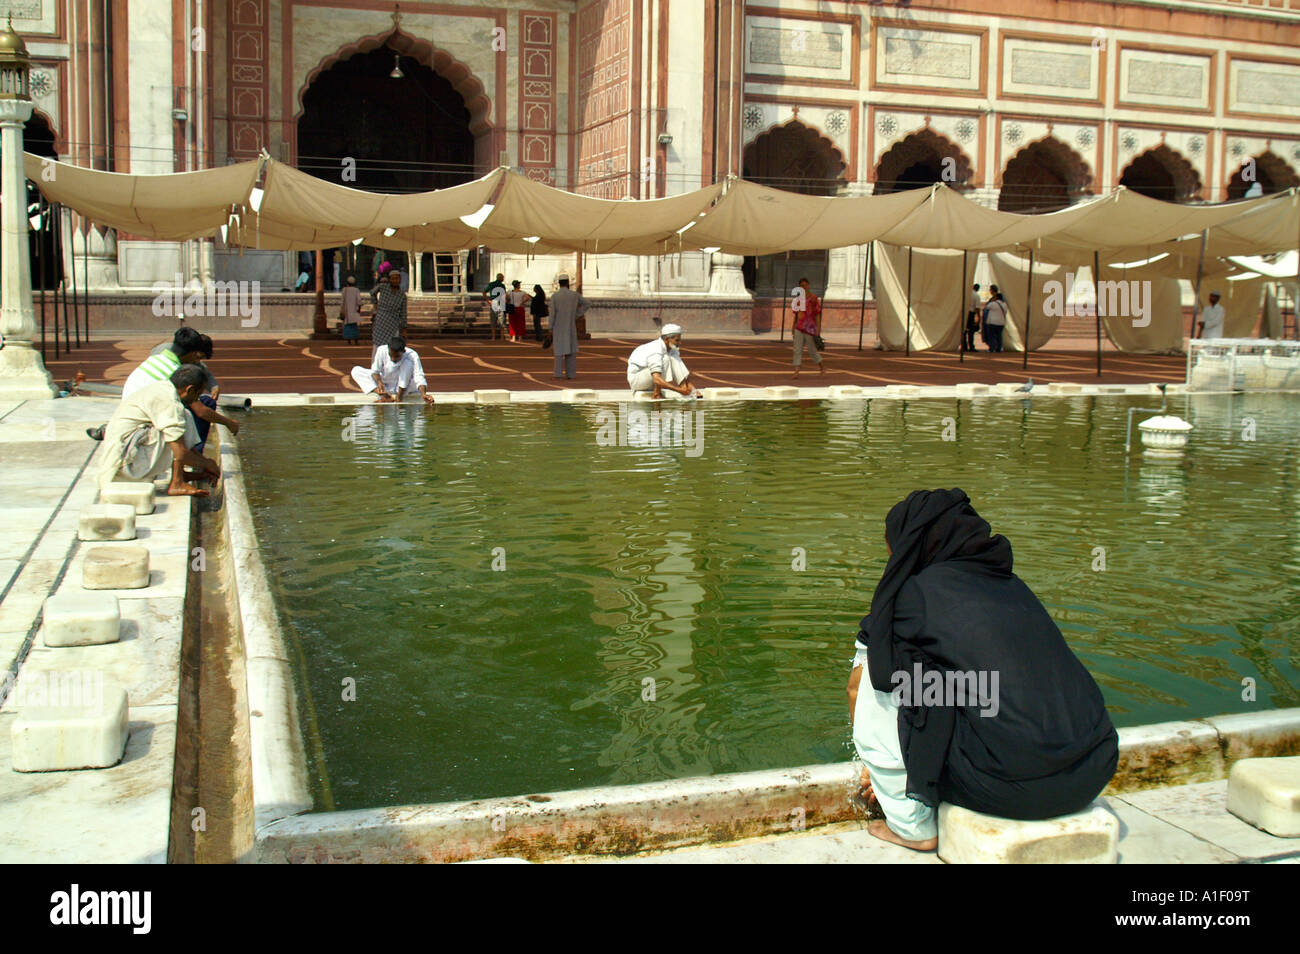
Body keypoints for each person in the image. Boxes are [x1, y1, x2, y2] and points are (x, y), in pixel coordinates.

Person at [846, 489, 1118, 851]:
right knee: (956, 682)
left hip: (1011, 790)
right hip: (1094, 771)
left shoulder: (914, 595)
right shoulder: (1012, 585)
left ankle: (912, 827)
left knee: (876, 679)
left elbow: (859, 686)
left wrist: (876, 770)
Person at [97, 365, 221, 498]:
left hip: (122, 460)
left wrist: (203, 463)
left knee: (183, 417)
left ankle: (180, 475)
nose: (197, 399)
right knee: (178, 423)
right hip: (125, 467)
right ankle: (177, 483)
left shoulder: (163, 388)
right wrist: (208, 463)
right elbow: (181, 453)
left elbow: (186, 449)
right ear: (189, 390)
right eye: (198, 394)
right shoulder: (171, 403)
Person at [350, 336, 434, 405]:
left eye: (397, 356)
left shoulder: (412, 355)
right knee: (356, 370)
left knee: (407, 364)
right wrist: (379, 382)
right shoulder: (381, 350)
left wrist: (423, 394)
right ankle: (385, 396)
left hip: (406, 388)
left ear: (403, 351)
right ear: (388, 349)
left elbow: (419, 376)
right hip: (386, 386)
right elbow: (375, 371)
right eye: (391, 356)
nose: (393, 359)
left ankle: (399, 398)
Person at [627, 323, 701, 399]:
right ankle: (656, 394)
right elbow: (656, 379)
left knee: (673, 358)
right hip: (637, 381)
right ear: (666, 339)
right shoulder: (656, 349)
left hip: (650, 379)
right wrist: (679, 390)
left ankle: (687, 388)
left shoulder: (671, 349)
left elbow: (681, 371)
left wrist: (693, 390)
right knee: (665, 359)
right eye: (677, 340)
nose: (680, 343)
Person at [548, 273, 588, 379]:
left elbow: (552, 314)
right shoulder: (574, 295)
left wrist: (550, 328)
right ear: (567, 283)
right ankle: (571, 374)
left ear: (559, 283)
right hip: (570, 326)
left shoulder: (555, 296)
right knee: (571, 351)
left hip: (558, 327)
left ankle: (558, 373)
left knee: (558, 352)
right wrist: (577, 314)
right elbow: (587, 303)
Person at [791, 277, 825, 378]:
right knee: (797, 349)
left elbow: (817, 314)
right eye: (802, 286)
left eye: (805, 285)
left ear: (808, 285)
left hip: (810, 328)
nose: (804, 287)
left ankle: (821, 367)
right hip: (799, 326)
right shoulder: (797, 300)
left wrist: (818, 329)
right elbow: (796, 314)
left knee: (812, 350)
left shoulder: (813, 298)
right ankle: (796, 370)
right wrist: (793, 326)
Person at [370, 268, 407, 349]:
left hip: (393, 322)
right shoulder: (383, 287)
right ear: (389, 279)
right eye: (393, 279)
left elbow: (403, 313)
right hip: (381, 319)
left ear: (400, 280)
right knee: (378, 345)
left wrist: (404, 328)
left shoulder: (402, 295)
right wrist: (375, 304)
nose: (395, 281)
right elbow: (372, 293)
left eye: (397, 278)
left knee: (392, 345)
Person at [483, 272, 507, 342]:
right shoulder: (502, 286)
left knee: (493, 321)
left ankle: (493, 337)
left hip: (494, 302)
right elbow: (503, 295)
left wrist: (488, 300)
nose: (503, 279)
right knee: (501, 321)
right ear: (500, 278)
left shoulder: (491, 284)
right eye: (502, 277)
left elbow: (484, 292)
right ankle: (502, 337)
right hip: (500, 303)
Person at [341, 275, 362, 344]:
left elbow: (342, 300)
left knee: (347, 325)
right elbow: (359, 301)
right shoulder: (356, 290)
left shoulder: (345, 290)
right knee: (354, 326)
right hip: (354, 310)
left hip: (347, 310)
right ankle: (355, 340)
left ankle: (348, 340)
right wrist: (359, 309)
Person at [964, 283, 981, 352]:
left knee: (964, 331)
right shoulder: (976, 296)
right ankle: (971, 346)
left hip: (965, 313)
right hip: (971, 313)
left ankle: (964, 346)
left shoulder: (967, 293)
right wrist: (979, 317)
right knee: (971, 331)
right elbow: (977, 308)